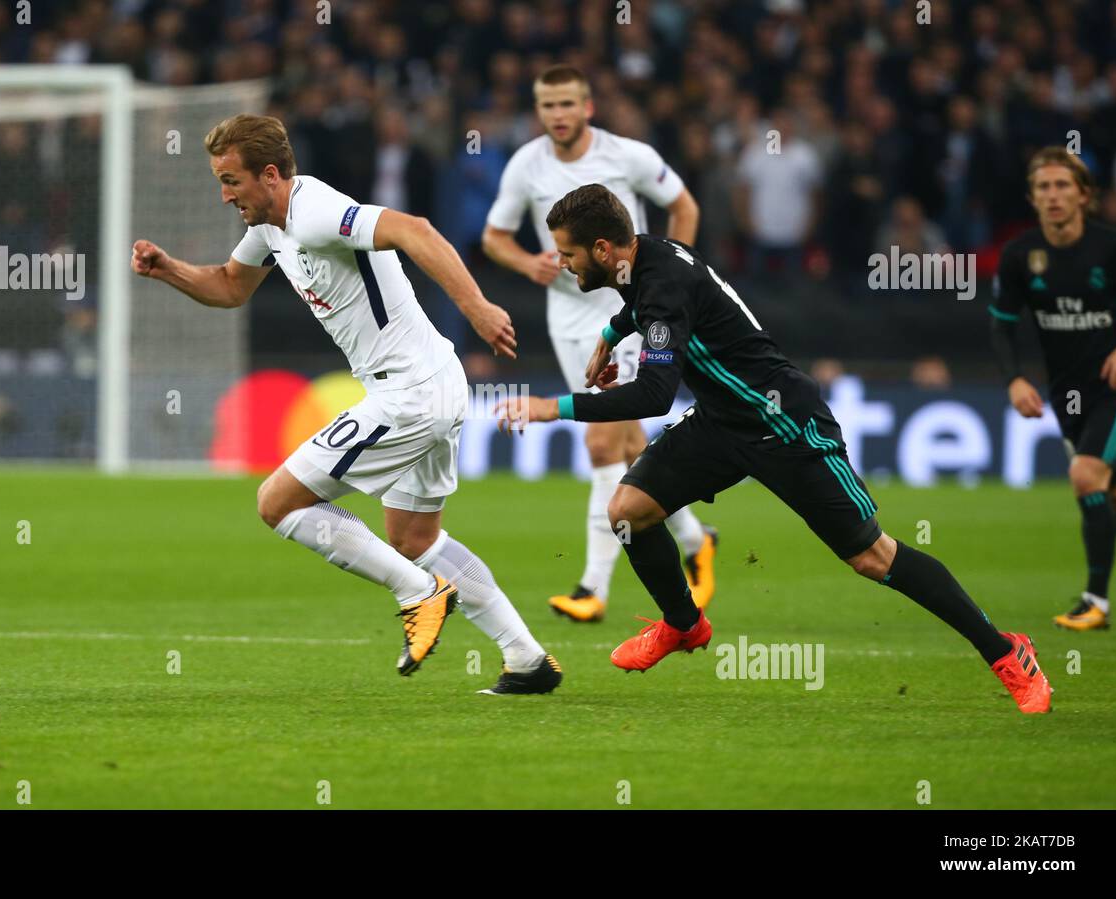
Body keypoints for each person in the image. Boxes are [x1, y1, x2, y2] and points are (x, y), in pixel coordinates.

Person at [495, 183, 1050, 714]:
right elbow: (638, 305)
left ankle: (1006, 651)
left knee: (871, 556)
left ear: (602, 247)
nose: (562, 264)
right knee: (628, 511)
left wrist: (554, 408)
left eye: (568, 254)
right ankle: (684, 625)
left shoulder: (661, 282)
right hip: (721, 422)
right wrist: (612, 336)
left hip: (784, 424)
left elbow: (656, 395)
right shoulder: (646, 256)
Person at [131, 114, 560, 695]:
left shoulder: (313, 211)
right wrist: (170, 270)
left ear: (271, 174)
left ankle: (419, 592)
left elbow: (418, 231)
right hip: (432, 382)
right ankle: (526, 658)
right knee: (417, 538)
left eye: (231, 181)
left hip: (408, 391)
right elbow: (231, 286)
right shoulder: (269, 225)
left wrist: (478, 308)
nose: (225, 194)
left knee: (277, 502)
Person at [482, 64, 718, 624]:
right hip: (568, 323)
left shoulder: (628, 156)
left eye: (568, 103)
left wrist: (665, 284)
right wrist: (526, 261)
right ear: (538, 111)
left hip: (628, 315)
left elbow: (686, 208)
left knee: (599, 448)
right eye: (548, 106)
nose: (558, 115)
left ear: (587, 107)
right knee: (631, 444)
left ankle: (592, 587)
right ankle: (695, 539)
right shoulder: (525, 165)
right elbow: (493, 237)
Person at [992, 146, 1116, 632]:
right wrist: (1014, 378)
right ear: (1032, 197)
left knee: (1087, 476)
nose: (1053, 195)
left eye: (1063, 185)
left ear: (1084, 195)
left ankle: (1095, 603)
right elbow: (1002, 325)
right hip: (1069, 396)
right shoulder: (1021, 256)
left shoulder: (1112, 249)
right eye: (1044, 187)